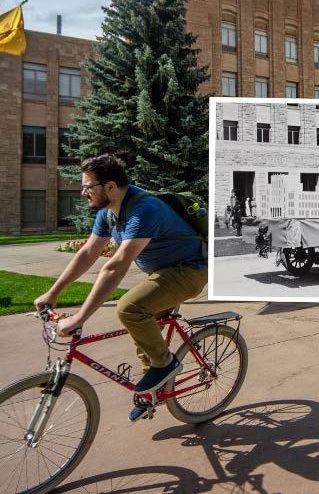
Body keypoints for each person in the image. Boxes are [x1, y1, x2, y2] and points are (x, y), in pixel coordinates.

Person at [34, 154, 207, 422]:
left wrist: (80, 317)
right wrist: (53, 292)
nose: (83, 193)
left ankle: (166, 364)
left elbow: (116, 266)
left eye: (88, 186)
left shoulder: (144, 209)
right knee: (143, 333)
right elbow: (88, 253)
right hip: (164, 272)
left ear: (110, 186)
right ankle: (155, 390)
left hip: (191, 270)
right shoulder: (108, 213)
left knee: (130, 309)